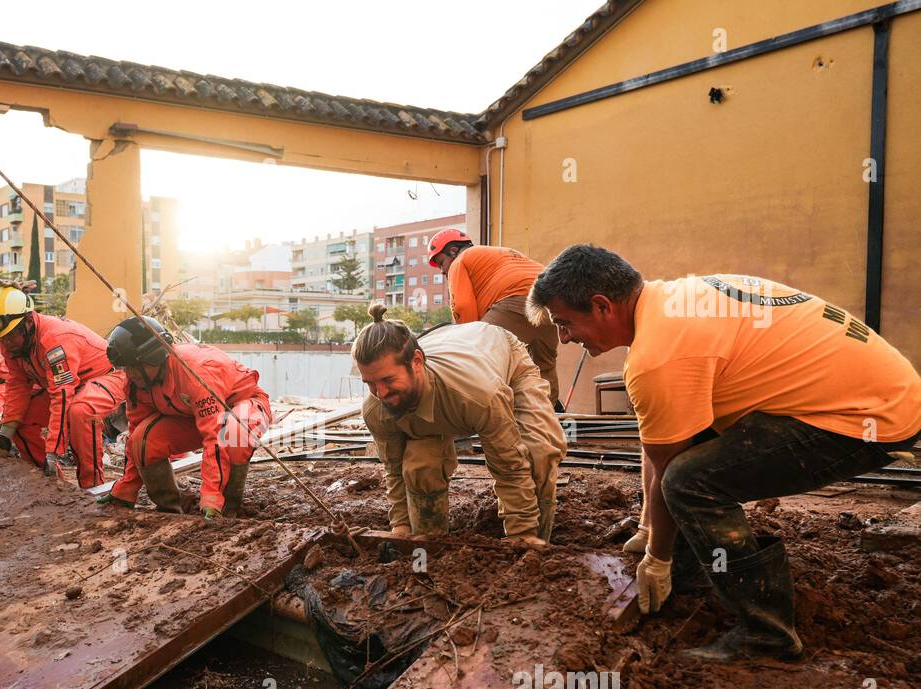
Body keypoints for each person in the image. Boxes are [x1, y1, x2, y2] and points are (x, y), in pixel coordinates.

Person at [527, 244, 921, 661]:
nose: (564, 338)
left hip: (869, 417)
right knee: (688, 459)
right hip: (883, 390)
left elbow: (668, 473)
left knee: (691, 482)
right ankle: (693, 569)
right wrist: (647, 529)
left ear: (602, 305)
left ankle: (765, 635)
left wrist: (656, 557)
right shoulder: (672, 304)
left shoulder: (658, 357)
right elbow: (660, 441)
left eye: (565, 323)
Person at [355, 303, 566, 542]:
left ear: (416, 362)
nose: (380, 392)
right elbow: (394, 469)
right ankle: (429, 541)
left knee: (538, 451)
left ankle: (536, 541)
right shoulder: (376, 409)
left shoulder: (478, 394)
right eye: (369, 383)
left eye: (388, 380)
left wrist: (522, 534)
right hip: (452, 356)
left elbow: (509, 464)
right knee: (420, 467)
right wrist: (401, 526)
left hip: (503, 355)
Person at [97, 316, 270, 520]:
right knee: (143, 439)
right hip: (191, 415)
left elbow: (215, 438)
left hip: (245, 406)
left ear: (154, 357)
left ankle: (225, 512)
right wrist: (126, 488)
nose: (130, 374)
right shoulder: (136, 384)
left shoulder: (195, 374)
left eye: (134, 367)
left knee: (233, 433)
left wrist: (211, 496)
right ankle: (171, 512)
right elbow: (135, 434)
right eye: (126, 368)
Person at [0, 282, 127, 486]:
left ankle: (92, 486)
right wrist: (6, 433)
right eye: (1, 338)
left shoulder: (54, 339)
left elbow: (61, 395)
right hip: (69, 385)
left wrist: (54, 450)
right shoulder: (13, 343)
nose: (6, 343)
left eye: (10, 336)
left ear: (27, 322)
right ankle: (49, 482)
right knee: (20, 420)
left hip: (107, 376)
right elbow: (17, 385)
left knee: (80, 411)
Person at [428, 228, 563, 409]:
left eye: (441, 263)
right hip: (550, 304)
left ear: (453, 250)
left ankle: (487, 418)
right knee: (543, 368)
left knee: (480, 364)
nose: (443, 271)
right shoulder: (500, 253)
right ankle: (548, 417)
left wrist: (467, 343)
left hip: (513, 302)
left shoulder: (460, 261)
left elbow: (462, 306)